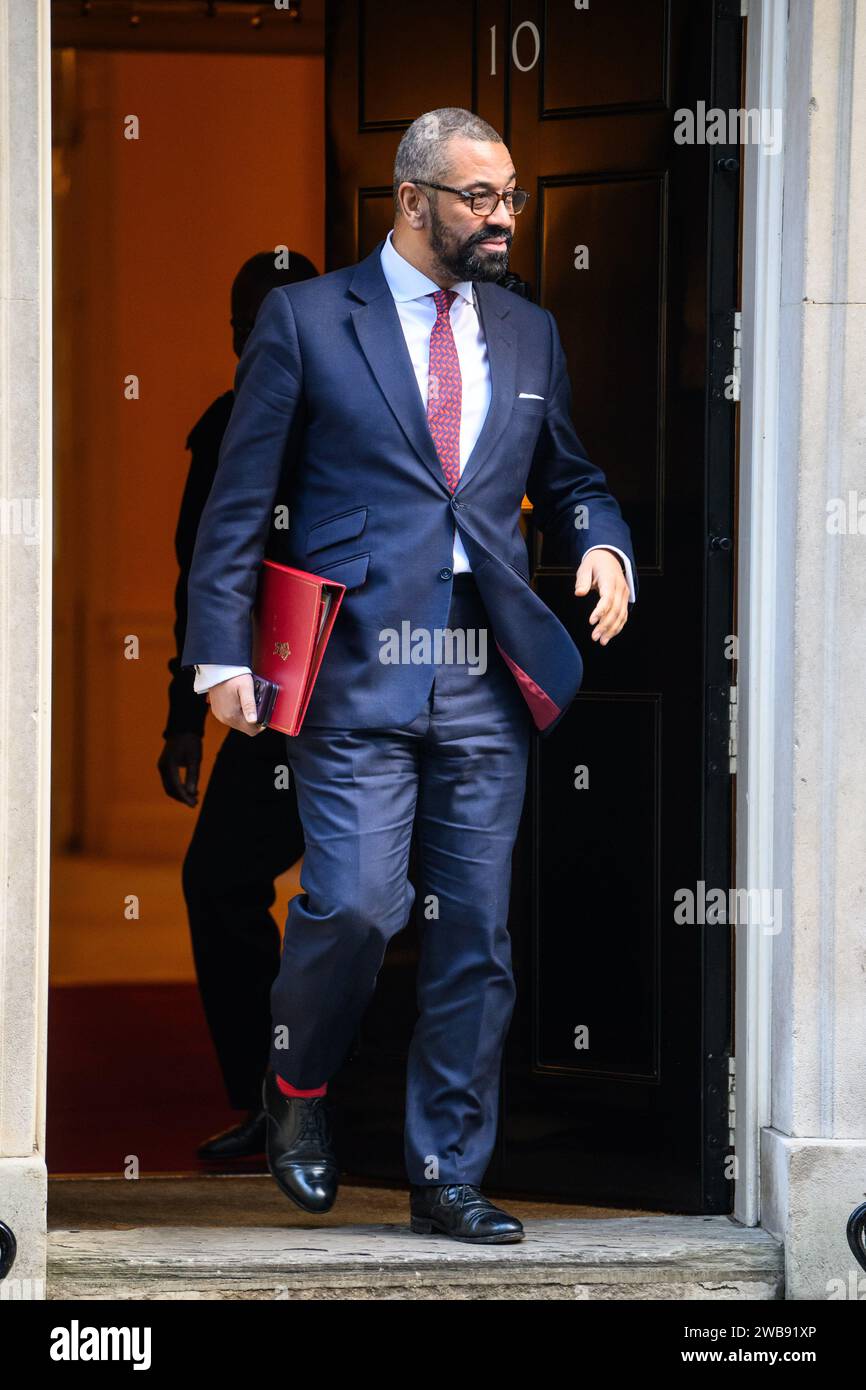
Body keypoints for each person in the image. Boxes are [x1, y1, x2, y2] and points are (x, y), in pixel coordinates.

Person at [181, 108, 637, 1243]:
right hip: (353, 671)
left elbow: (570, 473)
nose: (501, 217)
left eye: (511, 195)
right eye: (477, 196)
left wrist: (600, 539)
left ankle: (446, 1172)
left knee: (474, 932)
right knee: (353, 903)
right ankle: (294, 1087)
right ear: (411, 199)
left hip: (485, 673)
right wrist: (219, 655)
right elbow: (239, 501)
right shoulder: (304, 320)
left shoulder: (528, 335)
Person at [158, 251, 319, 1161]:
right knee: (218, 879)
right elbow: (199, 580)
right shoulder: (224, 426)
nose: (250, 345)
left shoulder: (355, 415)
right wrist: (183, 717)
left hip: (379, 697)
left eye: (266, 327)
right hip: (262, 707)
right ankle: (270, 1099)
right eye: (239, 330)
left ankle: (348, 1105)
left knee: (379, 903)